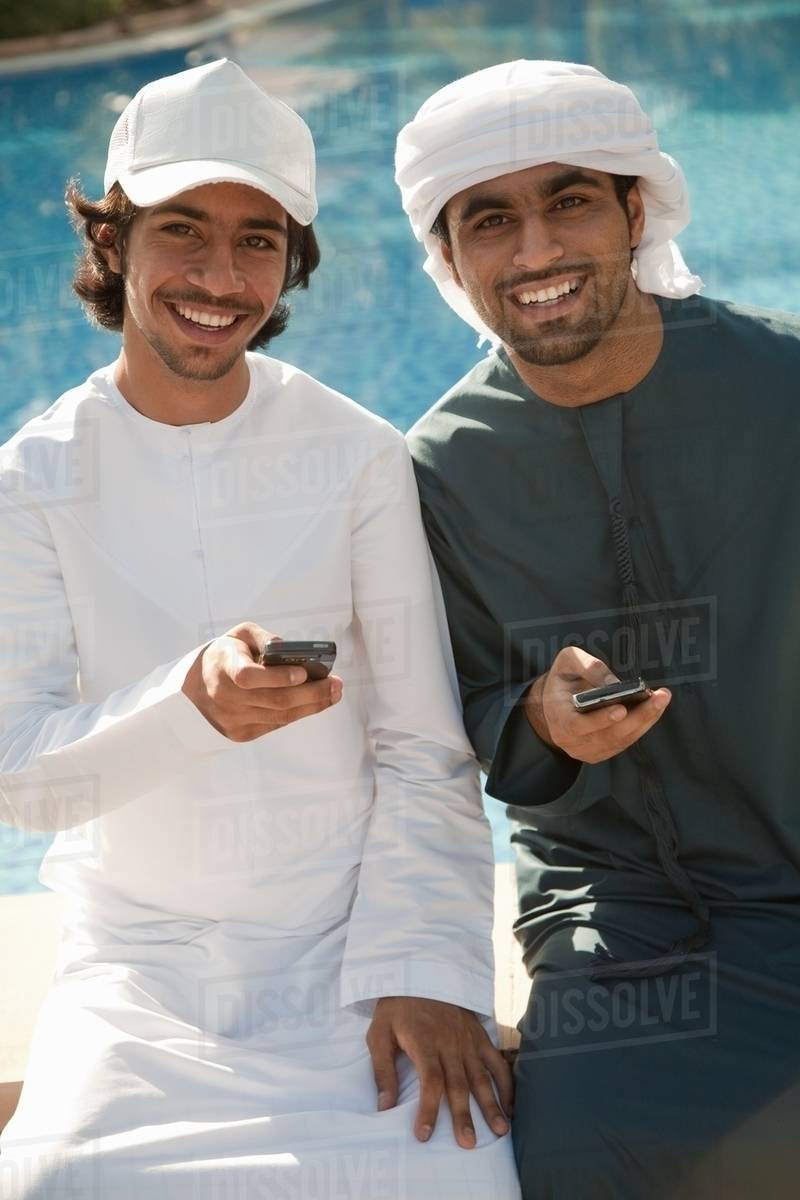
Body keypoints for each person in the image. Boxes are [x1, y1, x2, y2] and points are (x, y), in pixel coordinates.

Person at [0, 59, 522, 1200]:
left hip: (346, 959)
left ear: (289, 264)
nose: (219, 276)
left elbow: (422, 746)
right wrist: (187, 706)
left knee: (462, 1183)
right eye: (183, 230)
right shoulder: (31, 478)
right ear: (115, 244)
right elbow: (22, 781)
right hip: (136, 977)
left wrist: (426, 966)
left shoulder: (356, 456)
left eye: (257, 240)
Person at [398, 59, 800, 1200]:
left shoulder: (785, 384)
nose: (532, 253)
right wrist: (531, 720)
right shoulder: (435, 474)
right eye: (489, 221)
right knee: (582, 1158)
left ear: (634, 210)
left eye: (567, 200)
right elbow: (437, 725)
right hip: (621, 918)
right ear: (452, 257)